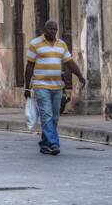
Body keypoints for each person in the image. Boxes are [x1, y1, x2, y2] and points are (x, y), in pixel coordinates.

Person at [23, 19, 86, 156]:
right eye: (50, 29)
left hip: (57, 87)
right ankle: (54, 144)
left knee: (55, 117)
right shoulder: (35, 44)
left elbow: (69, 63)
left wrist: (80, 75)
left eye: (55, 29)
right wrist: (27, 87)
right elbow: (29, 66)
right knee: (47, 115)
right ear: (45, 30)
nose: (53, 31)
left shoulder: (61, 45)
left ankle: (45, 143)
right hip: (41, 86)